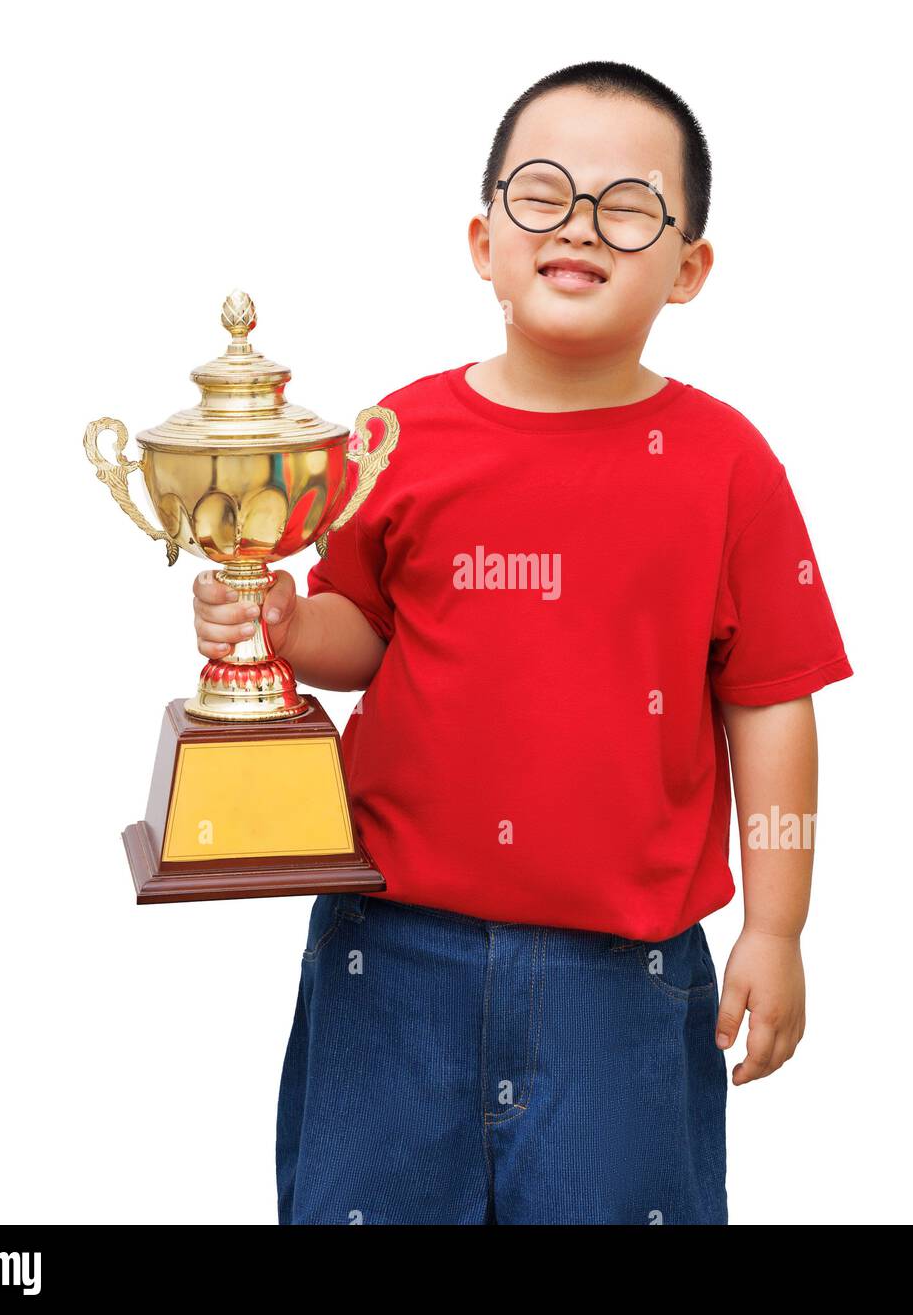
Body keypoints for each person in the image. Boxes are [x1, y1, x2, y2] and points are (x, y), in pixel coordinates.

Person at [192, 60, 853, 1225]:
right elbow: (367, 631)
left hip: (627, 976)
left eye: (629, 205)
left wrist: (776, 920)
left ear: (688, 267)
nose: (580, 226)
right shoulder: (395, 436)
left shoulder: (725, 464)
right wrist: (286, 625)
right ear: (481, 239)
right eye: (541, 193)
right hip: (389, 950)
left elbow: (771, 699)